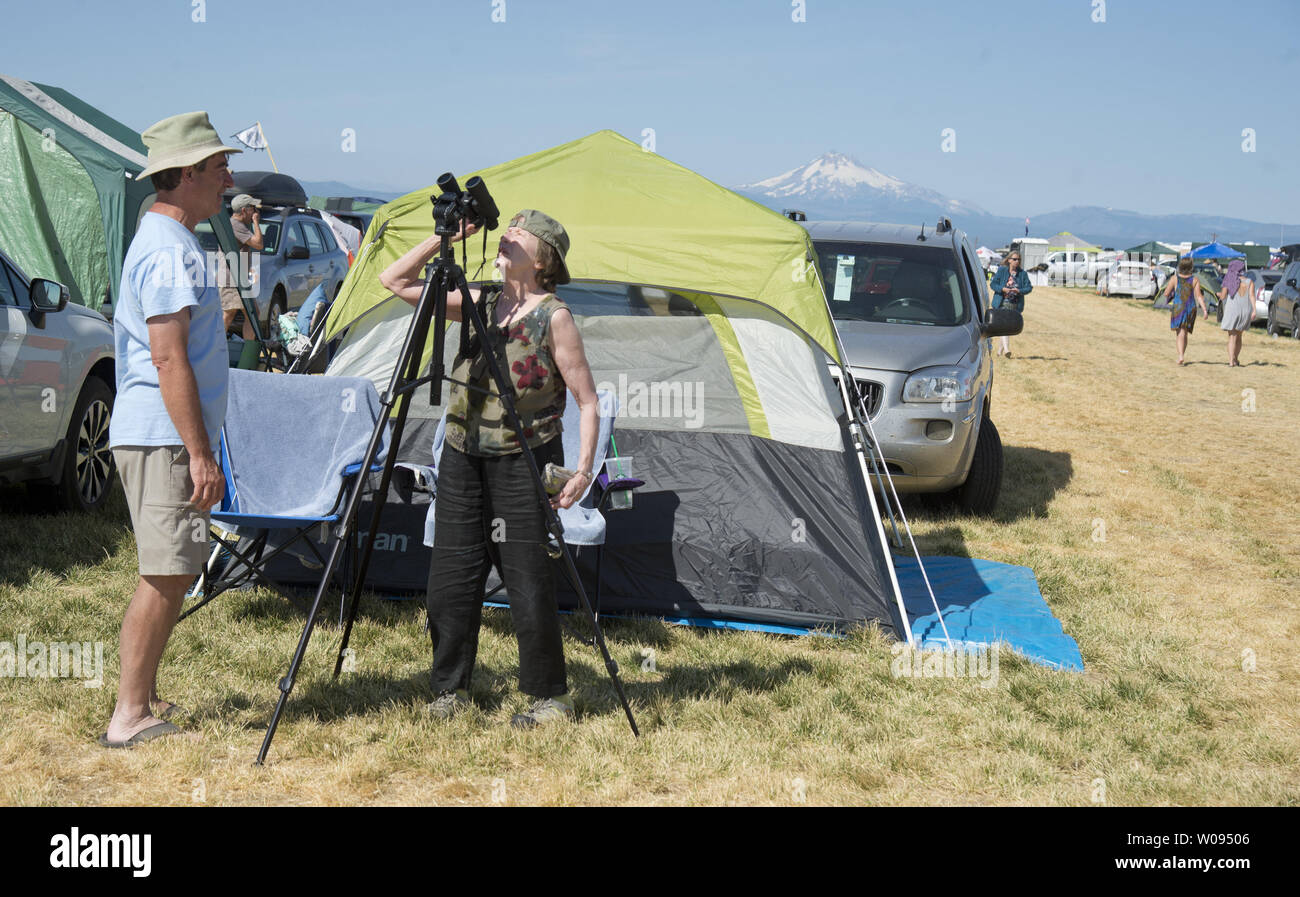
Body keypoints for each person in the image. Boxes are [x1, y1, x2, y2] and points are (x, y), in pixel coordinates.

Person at [380, 209, 600, 728]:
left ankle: (552, 699)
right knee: (451, 579)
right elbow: (395, 281)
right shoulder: (477, 300)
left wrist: (583, 470)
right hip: (462, 454)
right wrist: (442, 240)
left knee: (527, 580)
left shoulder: (554, 317)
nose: (507, 236)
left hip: (525, 459)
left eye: (519, 234)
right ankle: (449, 691)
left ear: (543, 259)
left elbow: (587, 401)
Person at [102, 112, 239, 747]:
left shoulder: (169, 239)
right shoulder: (167, 249)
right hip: (163, 435)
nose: (228, 179)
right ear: (186, 175)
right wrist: (199, 452)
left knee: (172, 567)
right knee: (165, 572)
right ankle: (130, 717)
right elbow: (167, 357)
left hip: (161, 431)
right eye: (218, 168)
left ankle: (145, 696)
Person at [220, 194, 262, 338]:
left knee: (252, 314)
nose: (255, 212)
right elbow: (258, 244)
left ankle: (248, 348)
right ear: (244, 210)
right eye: (253, 209)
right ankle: (214, 348)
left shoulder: (238, 225)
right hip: (232, 278)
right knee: (228, 314)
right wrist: (256, 222)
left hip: (238, 278)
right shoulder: (236, 225)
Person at [1161, 257, 1210, 366]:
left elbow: (1166, 293)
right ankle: (1182, 354)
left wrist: (1172, 294)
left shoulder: (1174, 278)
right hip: (1190, 308)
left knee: (1180, 333)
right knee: (1185, 333)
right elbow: (1199, 296)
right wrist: (1205, 310)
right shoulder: (1195, 279)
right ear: (1191, 267)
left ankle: (1180, 356)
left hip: (1179, 307)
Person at [989, 251, 1032, 357]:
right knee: (1005, 326)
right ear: (1009, 260)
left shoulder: (1023, 274)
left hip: (1015, 305)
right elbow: (993, 284)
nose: (1017, 261)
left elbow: (1029, 288)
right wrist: (1002, 289)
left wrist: (1019, 290)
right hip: (1002, 303)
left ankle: (999, 351)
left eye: (1019, 260)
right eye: (1014, 259)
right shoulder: (1002, 270)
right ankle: (1007, 350)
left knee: (1007, 328)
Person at [1217, 259, 1254, 366]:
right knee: (1239, 336)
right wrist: (1254, 310)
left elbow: (1223, 296)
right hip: (1245, 310)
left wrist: (1217, 294)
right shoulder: (1249, 281)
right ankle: (1236, 358)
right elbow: (1251, 296)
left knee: (1232, 337)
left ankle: (1230, 361)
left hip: (1232, 310)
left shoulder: (1229, 280)